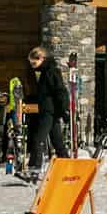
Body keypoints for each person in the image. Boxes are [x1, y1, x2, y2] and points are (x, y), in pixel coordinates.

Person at [26, 46, 71, 174]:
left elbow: (60, 91)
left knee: (38, 138)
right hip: (49, 110)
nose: (33, 66)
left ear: (42, 58)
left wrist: (65, 110)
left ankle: (34, 167)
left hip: (50, 111)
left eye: (34, 63)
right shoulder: (45, 72)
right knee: (57, 141)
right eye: (31, 63)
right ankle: (67, 165)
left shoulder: (51, 72)